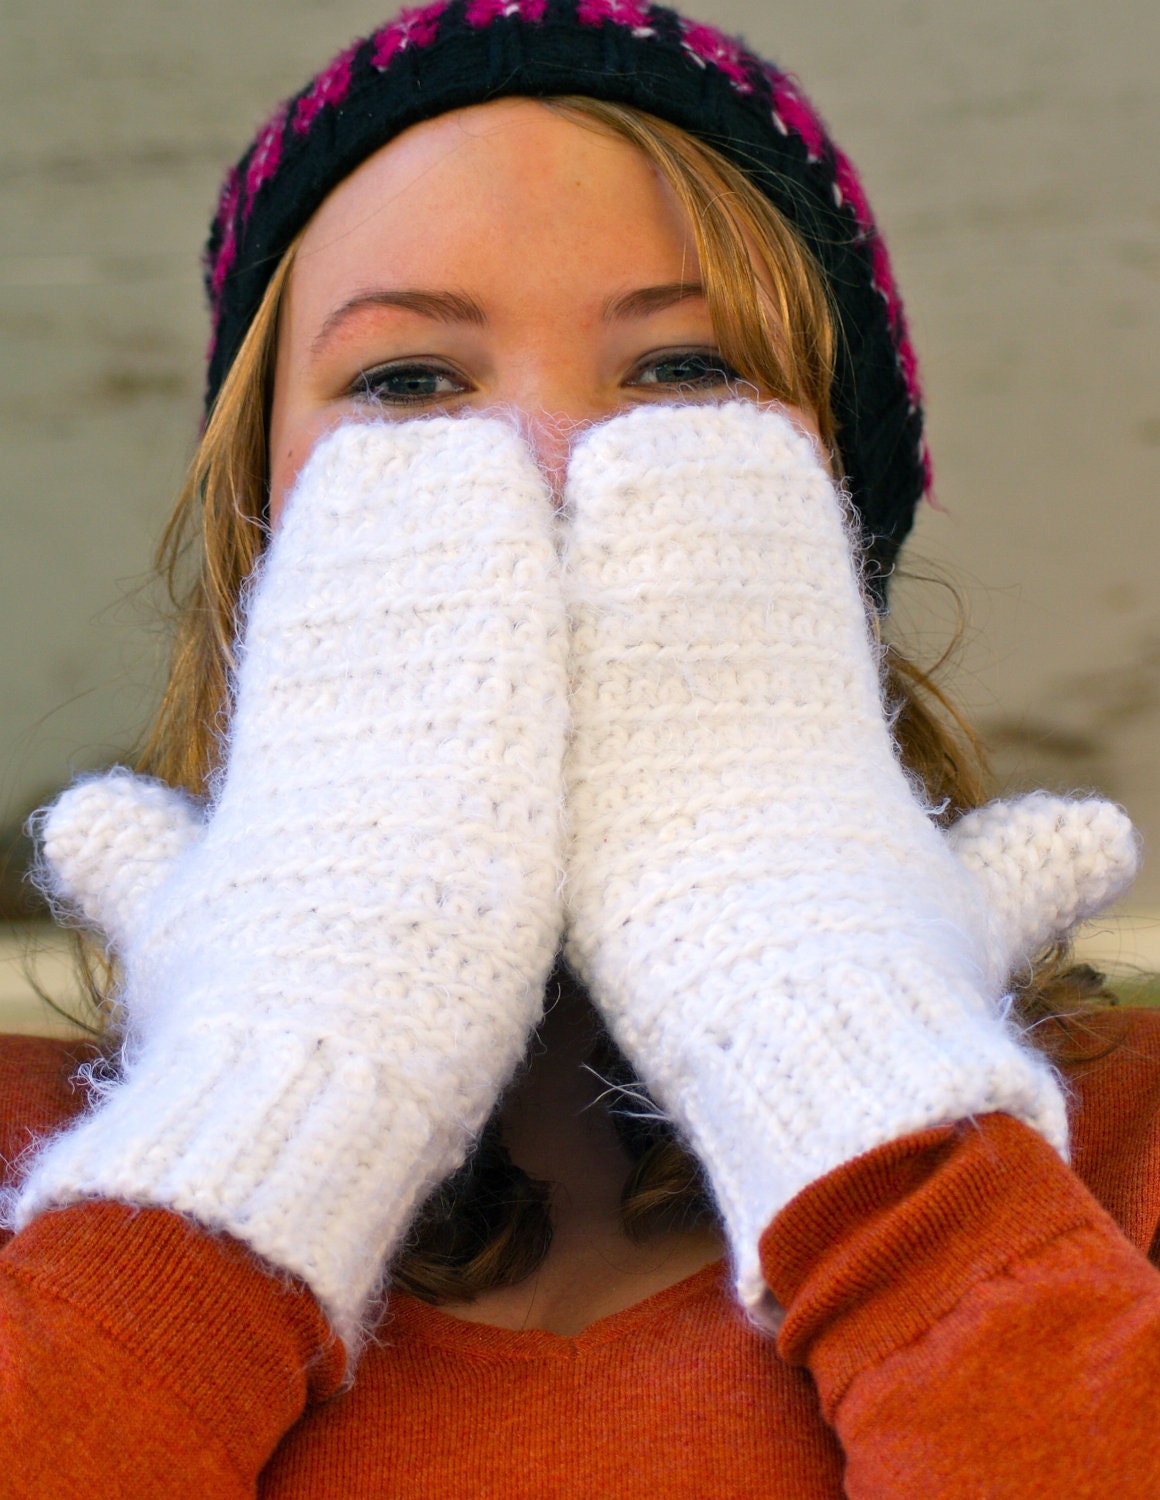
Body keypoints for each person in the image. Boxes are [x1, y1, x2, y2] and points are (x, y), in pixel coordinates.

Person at [1, 3, 1158, 1495]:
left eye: (683, 374)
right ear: (261, 540)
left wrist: (846, 1054)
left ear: (836, 524)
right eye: (408, 382)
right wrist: (271, 1097)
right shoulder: (37, 1171)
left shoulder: (1106, 1159)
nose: (543, 464)